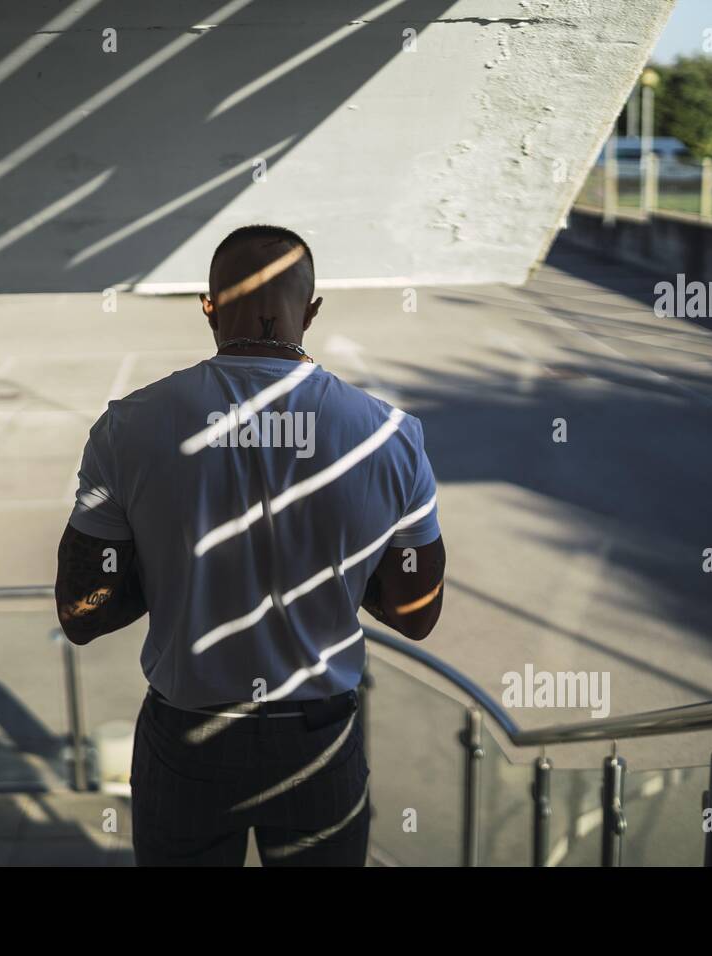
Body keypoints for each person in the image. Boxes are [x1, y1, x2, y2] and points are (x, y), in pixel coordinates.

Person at [54, 224, 445, 866]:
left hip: (188, 739)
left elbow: (82, 614)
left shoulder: (128, 426)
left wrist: (172, 571)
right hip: (318, 738)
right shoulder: (390, 436)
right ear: (311, 310)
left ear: (207, 307)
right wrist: (343, 566)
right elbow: (417, 615)